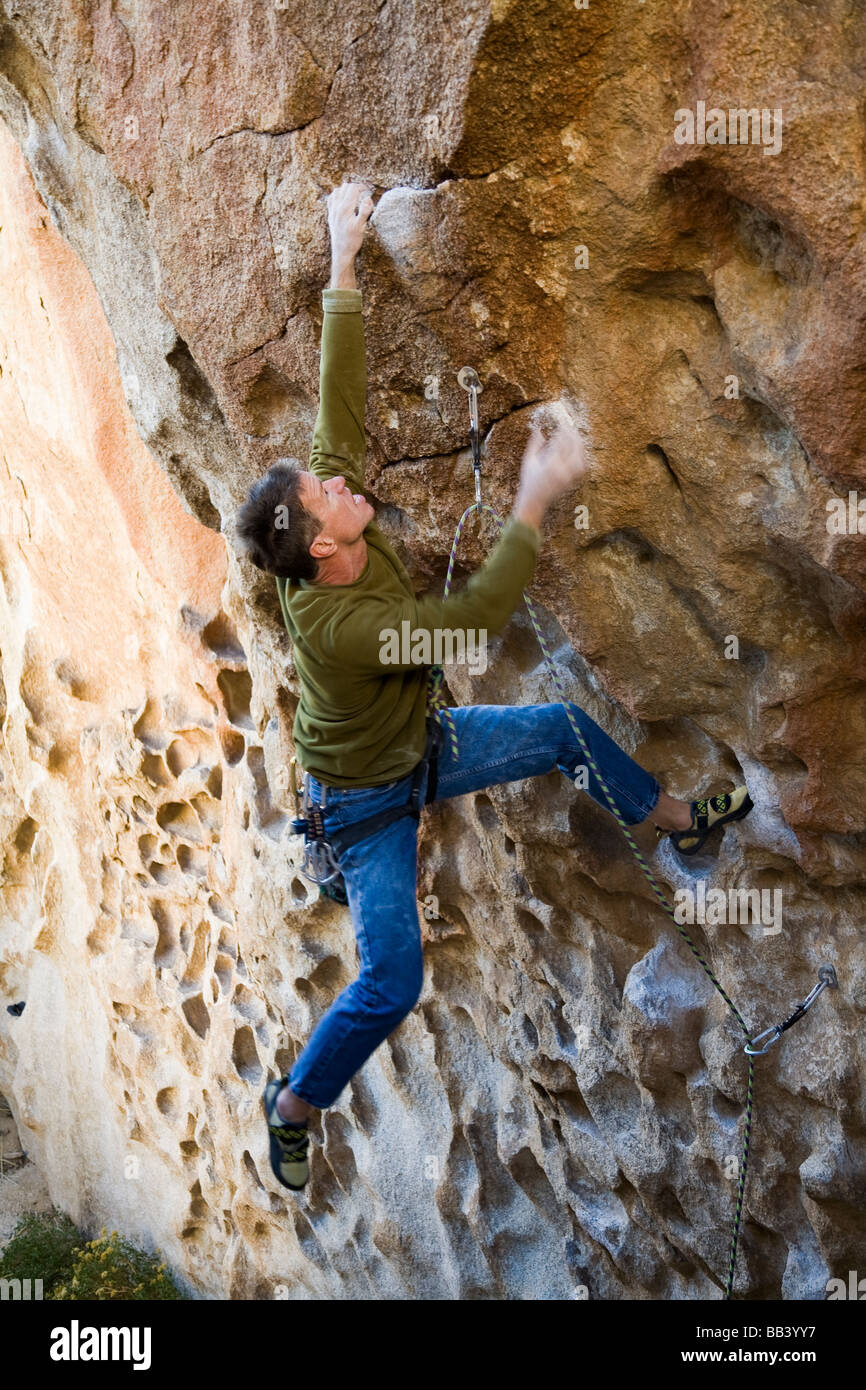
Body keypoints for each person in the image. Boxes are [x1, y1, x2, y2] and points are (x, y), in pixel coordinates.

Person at [235, 181, 754, 1192]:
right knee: (391, 979)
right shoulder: (341, 626)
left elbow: (336, 396)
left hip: (421, 747)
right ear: (323, 545)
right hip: (366, 805)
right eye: (325, 494)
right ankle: (294, 1102)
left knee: (561, 724)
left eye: (324, 478)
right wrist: (534, 496)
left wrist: (342, 256)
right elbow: (468, 623)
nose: (341, 482)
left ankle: (681, 817)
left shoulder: (330, 527)